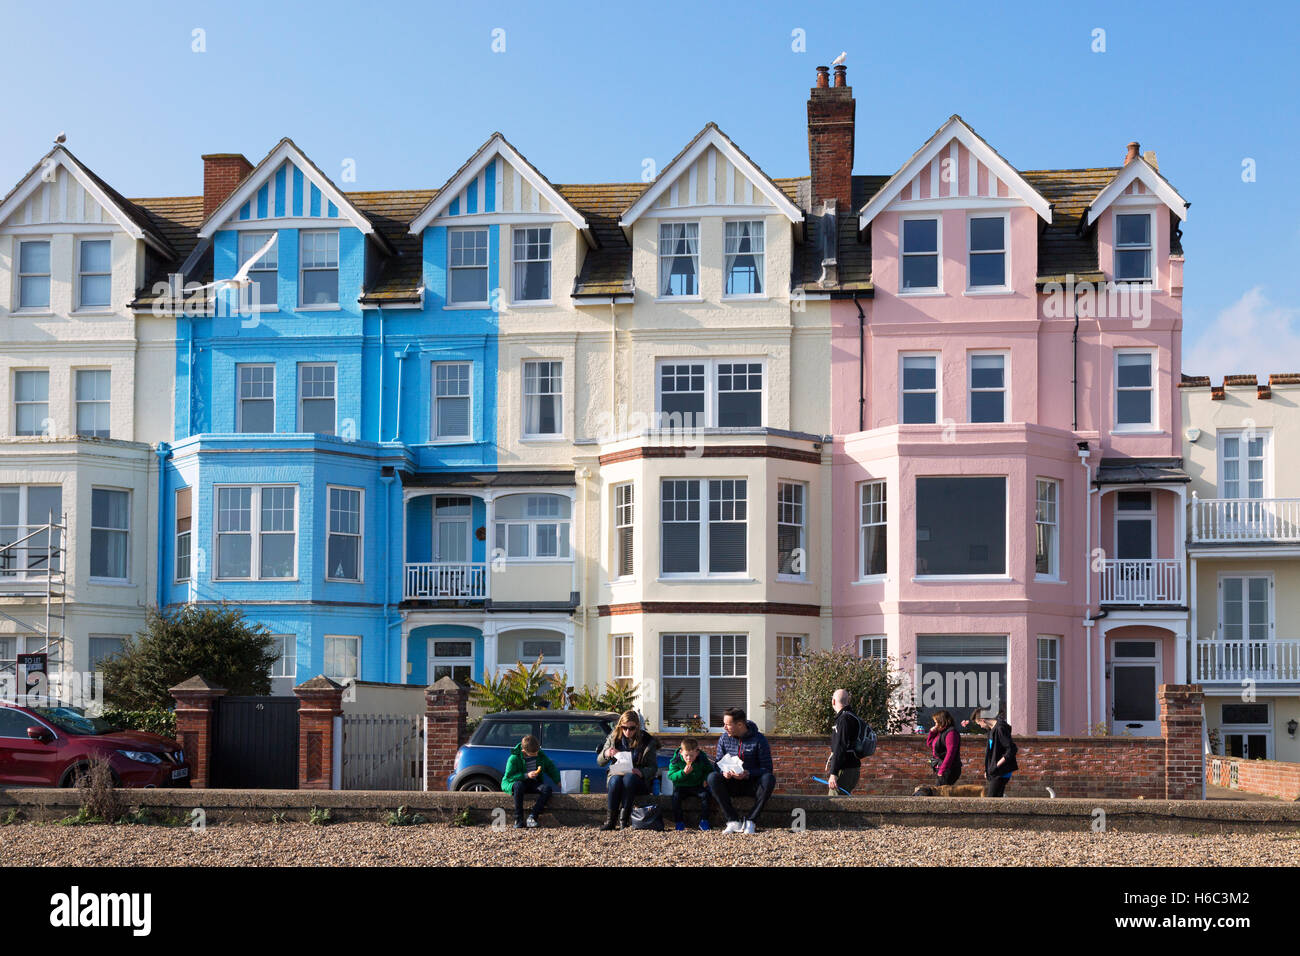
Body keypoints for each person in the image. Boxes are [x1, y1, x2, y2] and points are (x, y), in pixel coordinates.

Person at [706, 707, 776, 834]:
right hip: (730, 783)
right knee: (712, 777)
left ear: (739, 724)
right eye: (724, 724)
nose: (724, 728)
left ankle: (751, 821)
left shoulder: (759, 739)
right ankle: (733, 821)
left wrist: (747, 774)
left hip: (752, 784)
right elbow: (717, 764)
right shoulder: (724, 738)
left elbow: (767, 768)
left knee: (769, 778)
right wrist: (724, 772)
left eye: (727, 724)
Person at [595, 710, 660, 830]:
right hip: (617, 775)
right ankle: (610, 821)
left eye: (632, 728)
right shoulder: (613, 738)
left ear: (637, 727)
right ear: (620, 726)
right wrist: (607, 753)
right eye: (624, 728)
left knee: (629, 778)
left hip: (638, 781)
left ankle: (623, 821)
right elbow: (600, 762)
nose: (627, 731)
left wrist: (641, 772)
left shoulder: (646, 741)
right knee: (615, 781)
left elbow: (653, 768)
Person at [501, 734, 559, 829]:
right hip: (516, 782)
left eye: (537, 752)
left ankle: (533, 816)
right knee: (519, 786)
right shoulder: (514, 758)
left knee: (547, 789)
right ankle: (518, 819)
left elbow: (550, 767)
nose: (536, 755)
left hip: (532, 782)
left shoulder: (539, 754)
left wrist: (558, 781)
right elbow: (509, 777)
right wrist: (526, 775)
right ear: (524, 751)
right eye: (533, 754)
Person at [967, 706, 1018, 797]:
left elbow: (1011, 749)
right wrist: (989, 769)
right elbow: (992, 753)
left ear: (983, 720)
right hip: (995, 771)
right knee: (996, 800)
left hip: (1002, 772)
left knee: (991, 800)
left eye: (979, 724)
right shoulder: (991, 731)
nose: (981, 726)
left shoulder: (1000, 728)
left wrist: (996, 765)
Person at [668, 737, 714, 830]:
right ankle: (679, 822)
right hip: (681, 786)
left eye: (692, 755)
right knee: (676, 798)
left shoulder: (702, 759)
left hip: (697, 785)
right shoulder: (676, 760)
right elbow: (671, 776)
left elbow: (709, 770)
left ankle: (704, 820)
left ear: (697, 753)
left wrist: (705, 779)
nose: (689, 758)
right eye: (686, 755)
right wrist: (683, 773)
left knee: (706, 795)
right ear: (681, 752)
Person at [826, 688, 862, 796]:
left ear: (833, 701)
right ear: (848, 701)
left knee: (833, 804)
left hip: (844, 769)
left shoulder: (843, 720)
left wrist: (833, 773)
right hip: (854, 768)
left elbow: (839, 748)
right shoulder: (853, 717)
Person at [925, 710, 961, 786]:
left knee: (940, 792)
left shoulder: (951, 733)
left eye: (936, 722)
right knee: (940, 791)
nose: (935, 725)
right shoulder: (940, 732)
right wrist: (932, 732)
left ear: (942, 721)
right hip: (941, 767)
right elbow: (929, 744)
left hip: (949, 769)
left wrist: (942, 770)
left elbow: (950, 753)